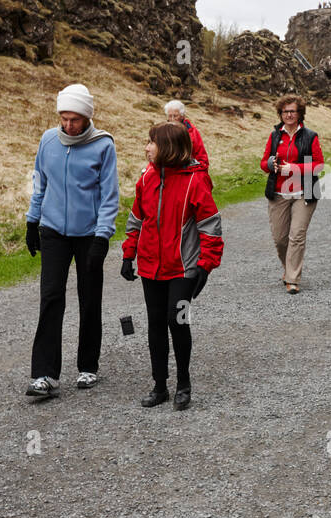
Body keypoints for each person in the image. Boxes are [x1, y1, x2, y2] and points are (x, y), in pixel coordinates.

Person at [25, 84, 120, 397]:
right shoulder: (48, 140)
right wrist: (32, 220)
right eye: (63, 118)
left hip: (89, 234)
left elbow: (109, 196)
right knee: (51, 297)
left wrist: (103, 235)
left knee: (89, 298)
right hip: (53, 230)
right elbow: (40, 182)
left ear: (87, 116)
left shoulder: (103, 145)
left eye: (75, 119)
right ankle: (44, 374)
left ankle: (87, 366)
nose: (68, 125)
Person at [122, 122, 223, 409]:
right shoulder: (146, 178)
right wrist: (128, 255)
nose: (146, 148)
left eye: (151, 143)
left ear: (167, 146)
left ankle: (184, 384)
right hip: (150, 268)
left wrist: (206, 265)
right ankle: (159, 386)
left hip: (183, 269)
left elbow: (210, 226)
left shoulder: (196, 180)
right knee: (155, 324)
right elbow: (136, 220)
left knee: (177, 321)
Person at [261, 94, 323, 294]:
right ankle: (288, 268)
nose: (288, 114)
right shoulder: (274, 136)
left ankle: (292, 279)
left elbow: (318, 164)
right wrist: (272, 164)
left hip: (304, 191)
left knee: (296, 236)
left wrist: (294, 168)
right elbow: (264, 163)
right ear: (280, 114)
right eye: (285, 111)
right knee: (280, 239)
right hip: (278, 192)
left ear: (299, 113)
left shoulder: (310, 136)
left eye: (292, 111)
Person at [164, 99, 209, 173]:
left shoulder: (192, 132)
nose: (172, 119)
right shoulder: (163, 131)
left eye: (175, 116)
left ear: (182, 116)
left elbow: (201, 155)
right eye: (169, 116)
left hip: (187, 169)